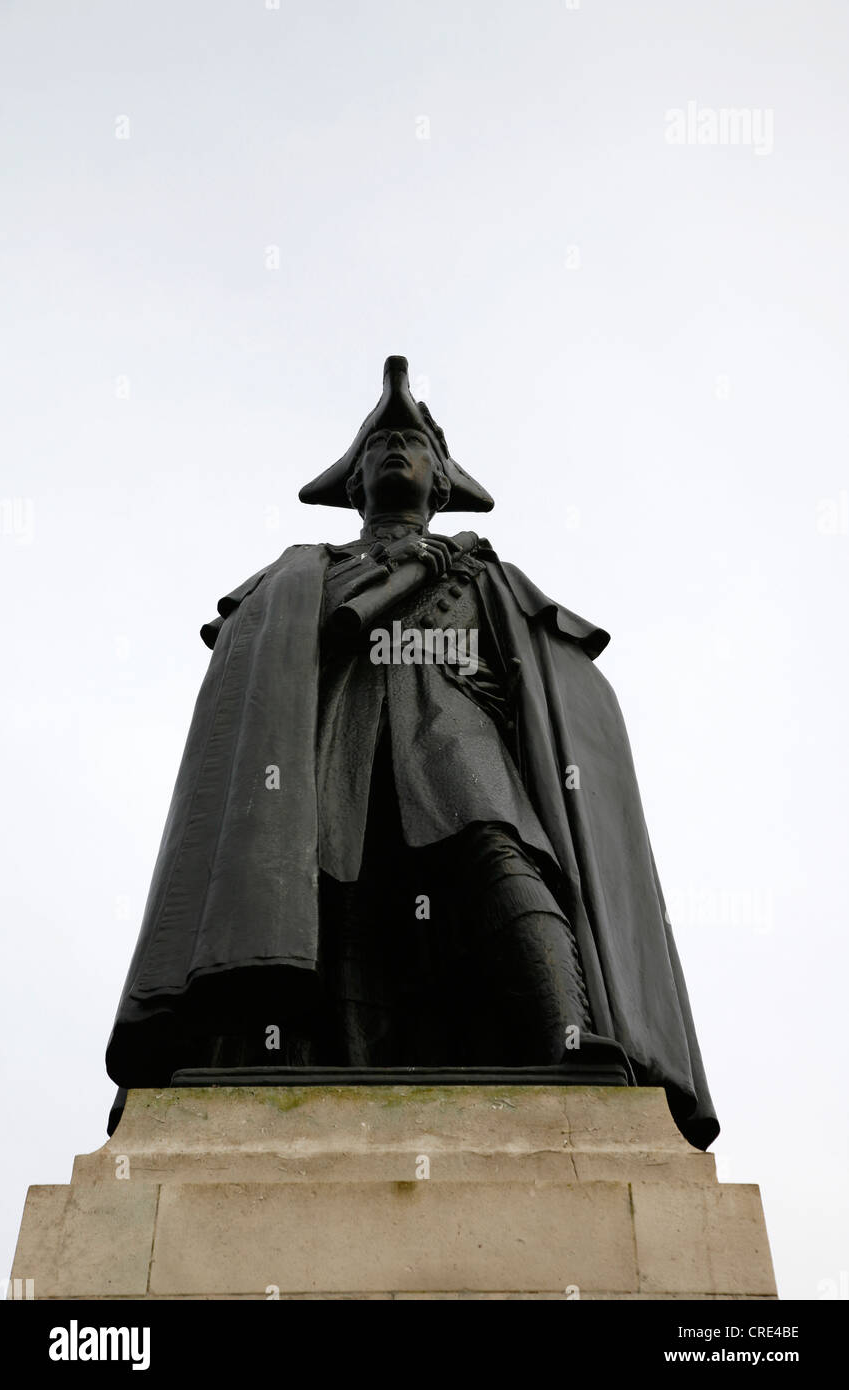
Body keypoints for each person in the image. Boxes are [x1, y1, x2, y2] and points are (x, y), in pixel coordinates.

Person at [106, 357, 718, 1150]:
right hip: (329, 742)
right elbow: (250, 665)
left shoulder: (483, 571)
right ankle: (263, 1052)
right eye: (376, 446)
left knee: (502, 858)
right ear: (355, 485)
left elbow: (547, 675)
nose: (394, 451)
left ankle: (567, 1035)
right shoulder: (302, 572)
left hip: (454, 734)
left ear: (441, 480)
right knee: (316, 892)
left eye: (413, 442)